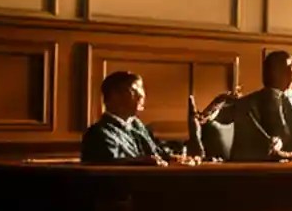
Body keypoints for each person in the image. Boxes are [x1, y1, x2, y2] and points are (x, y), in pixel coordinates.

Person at [82, 71, 217, 165]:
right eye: (133, 91)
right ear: (114, 96)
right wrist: (144, 162)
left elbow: (159, 153)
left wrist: (179, 155)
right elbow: (110, 167)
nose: (142, 96)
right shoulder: (99, 133)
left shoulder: (138, 126)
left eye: (141, 90)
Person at [210, 51, 292, 161]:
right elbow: (211, 121)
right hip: (262, 171)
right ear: (272, 71)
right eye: (288, 66)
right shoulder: (248, 103)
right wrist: (218, 103)